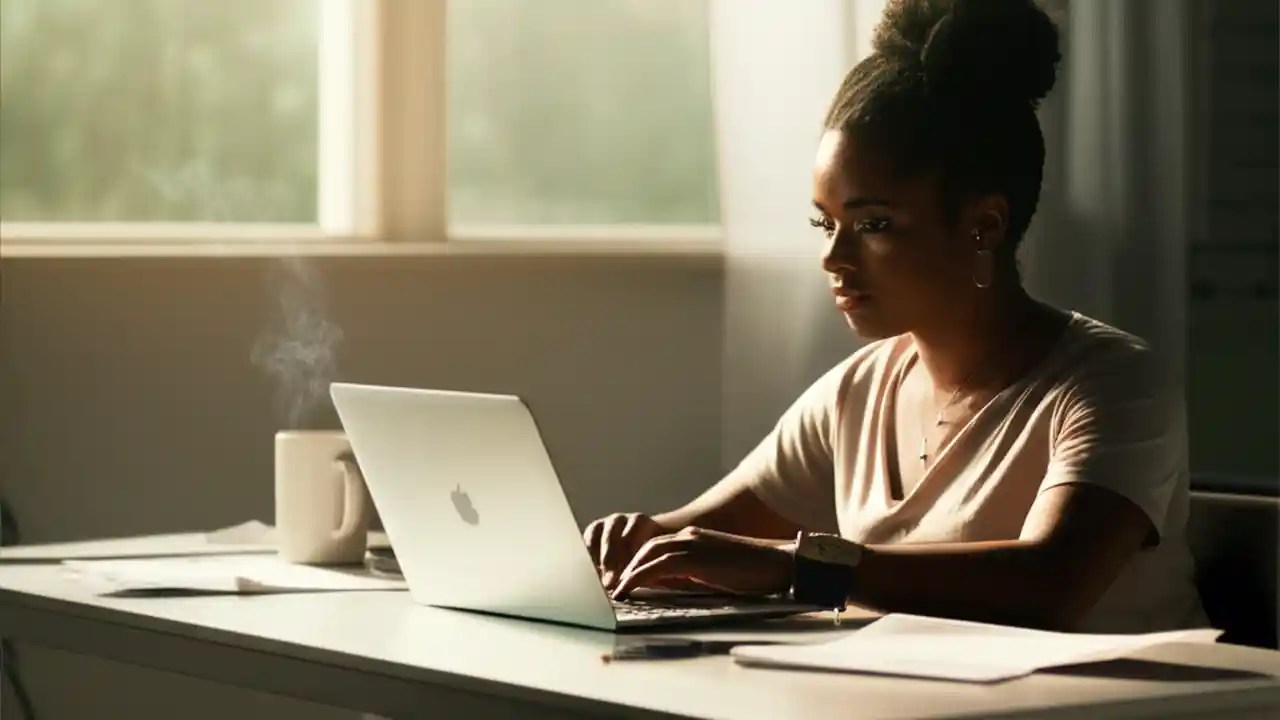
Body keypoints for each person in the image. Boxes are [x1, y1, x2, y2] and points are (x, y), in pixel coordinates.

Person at [583, 0, 1207, 633]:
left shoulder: (1115, 384)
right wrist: (621, 543)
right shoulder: (856, 393)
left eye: (873, 224)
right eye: (824, 222)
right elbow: (693, 535)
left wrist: (791, 566)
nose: (834, 255)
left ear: (983, 224)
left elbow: (1049, 585)